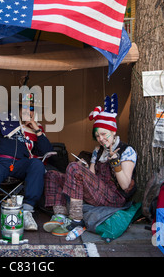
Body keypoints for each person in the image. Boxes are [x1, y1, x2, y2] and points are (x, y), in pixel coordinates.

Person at [43, 95, 137, 236]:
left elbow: (125, 185)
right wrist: (83, 168)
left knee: (73, 168)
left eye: (104, 134)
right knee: (52, 175)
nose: (101, 139)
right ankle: (60, 216)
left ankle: (76, 219)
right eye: (98, 136)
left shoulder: (126, 151)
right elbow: (92, 177)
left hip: (114, 197)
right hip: (98, 193)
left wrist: (115, 162)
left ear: (114, 131)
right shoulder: (98, 150)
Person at [0, 92, 53, 241]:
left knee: (37, 164)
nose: (28, 111)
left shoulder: (35, 130)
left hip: (20, 164)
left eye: (31, 108)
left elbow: (47, 152)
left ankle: (27, 212)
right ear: (18, 110)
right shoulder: (2, 121)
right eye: (24, 108)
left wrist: (36, 128)